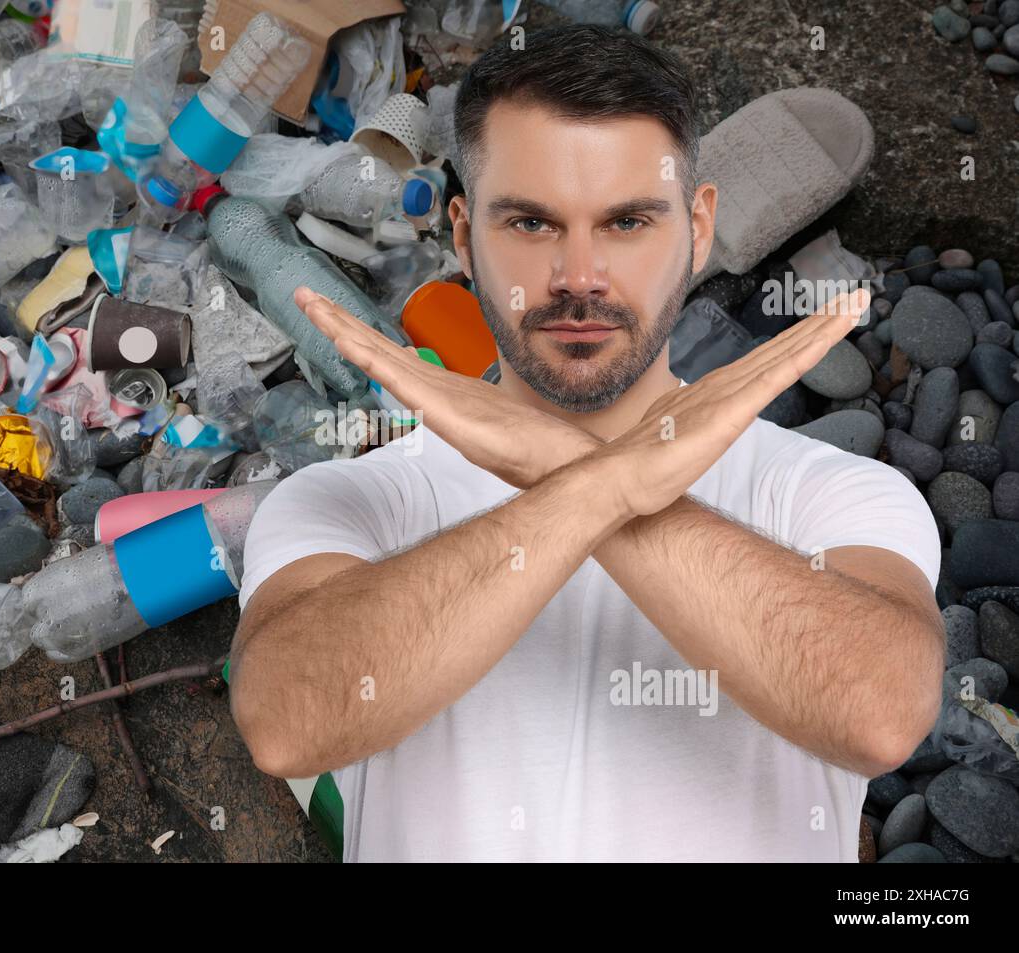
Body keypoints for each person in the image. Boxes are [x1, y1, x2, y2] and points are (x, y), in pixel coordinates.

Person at [228, 24, 944, 862]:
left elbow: (881, 712)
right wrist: (610, 479)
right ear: (462, 237)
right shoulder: (348, 500)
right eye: (531, 223)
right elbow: (285, 721)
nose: (577, 275)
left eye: (628, 221)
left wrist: (564, 469)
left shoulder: (829, 493)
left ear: (699, 228)